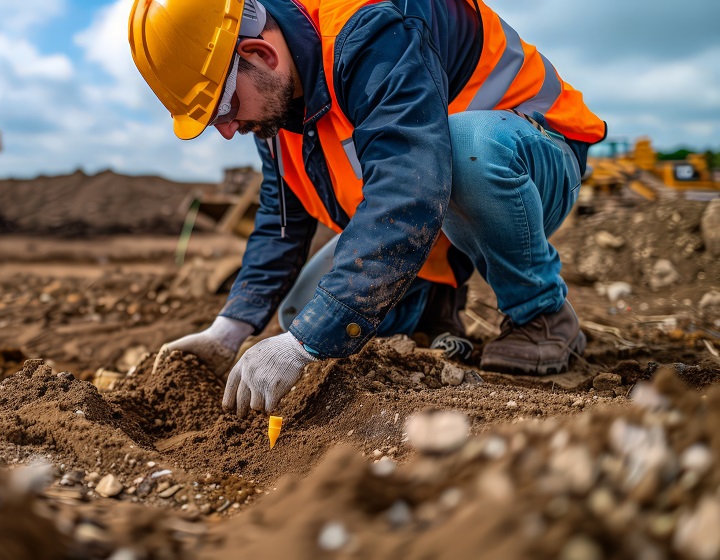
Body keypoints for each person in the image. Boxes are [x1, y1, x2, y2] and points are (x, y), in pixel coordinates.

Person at [128, 0, 605, 417]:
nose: (228, 130)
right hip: (440, 204)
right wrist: (229, 329)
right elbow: (281, 223)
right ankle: (434, 307)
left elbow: (408, 186)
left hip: (530, 161)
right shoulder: (279, 107)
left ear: (260, 54)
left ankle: (540, 314)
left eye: (225, 109)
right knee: (302, 314)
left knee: (463, 150)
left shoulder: (368, 33)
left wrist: (305, 345)